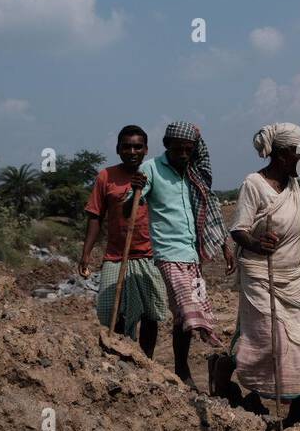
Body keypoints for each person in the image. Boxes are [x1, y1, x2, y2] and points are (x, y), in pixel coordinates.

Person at [215, 122, 300, 429]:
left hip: (293, 277)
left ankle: (297, 411)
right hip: (261, 275)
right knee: (270, 342)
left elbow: (297, 233)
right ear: (284, 154)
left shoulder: (293, 185)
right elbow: (238, 230)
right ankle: (229, 373)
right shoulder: (254, 184)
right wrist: (256, 245)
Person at [140, 121, 234, 389]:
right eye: (178, 149)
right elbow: (133, 199)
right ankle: (167, 367)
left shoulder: (194, 174)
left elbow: (211, 215)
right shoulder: (151, 169)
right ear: (167, 145)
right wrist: (134, 190)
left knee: (184, 319)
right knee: (189, 311)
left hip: (192, 256)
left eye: (188, 150)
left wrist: (225, 245)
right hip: (167, 254)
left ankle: (183, 367)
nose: (183, 154)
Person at [79, 125, 169, 357]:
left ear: (146, 149)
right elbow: (95, 216)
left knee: (151, 313)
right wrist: (86, 253)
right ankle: (118, 355)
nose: (132, 151)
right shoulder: (106, 176)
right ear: (118, 149)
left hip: (150, 254)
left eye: (137, 147)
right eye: (126, 146)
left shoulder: (155, 173)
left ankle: (145, 360)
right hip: (117, 256)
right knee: (112, 309)